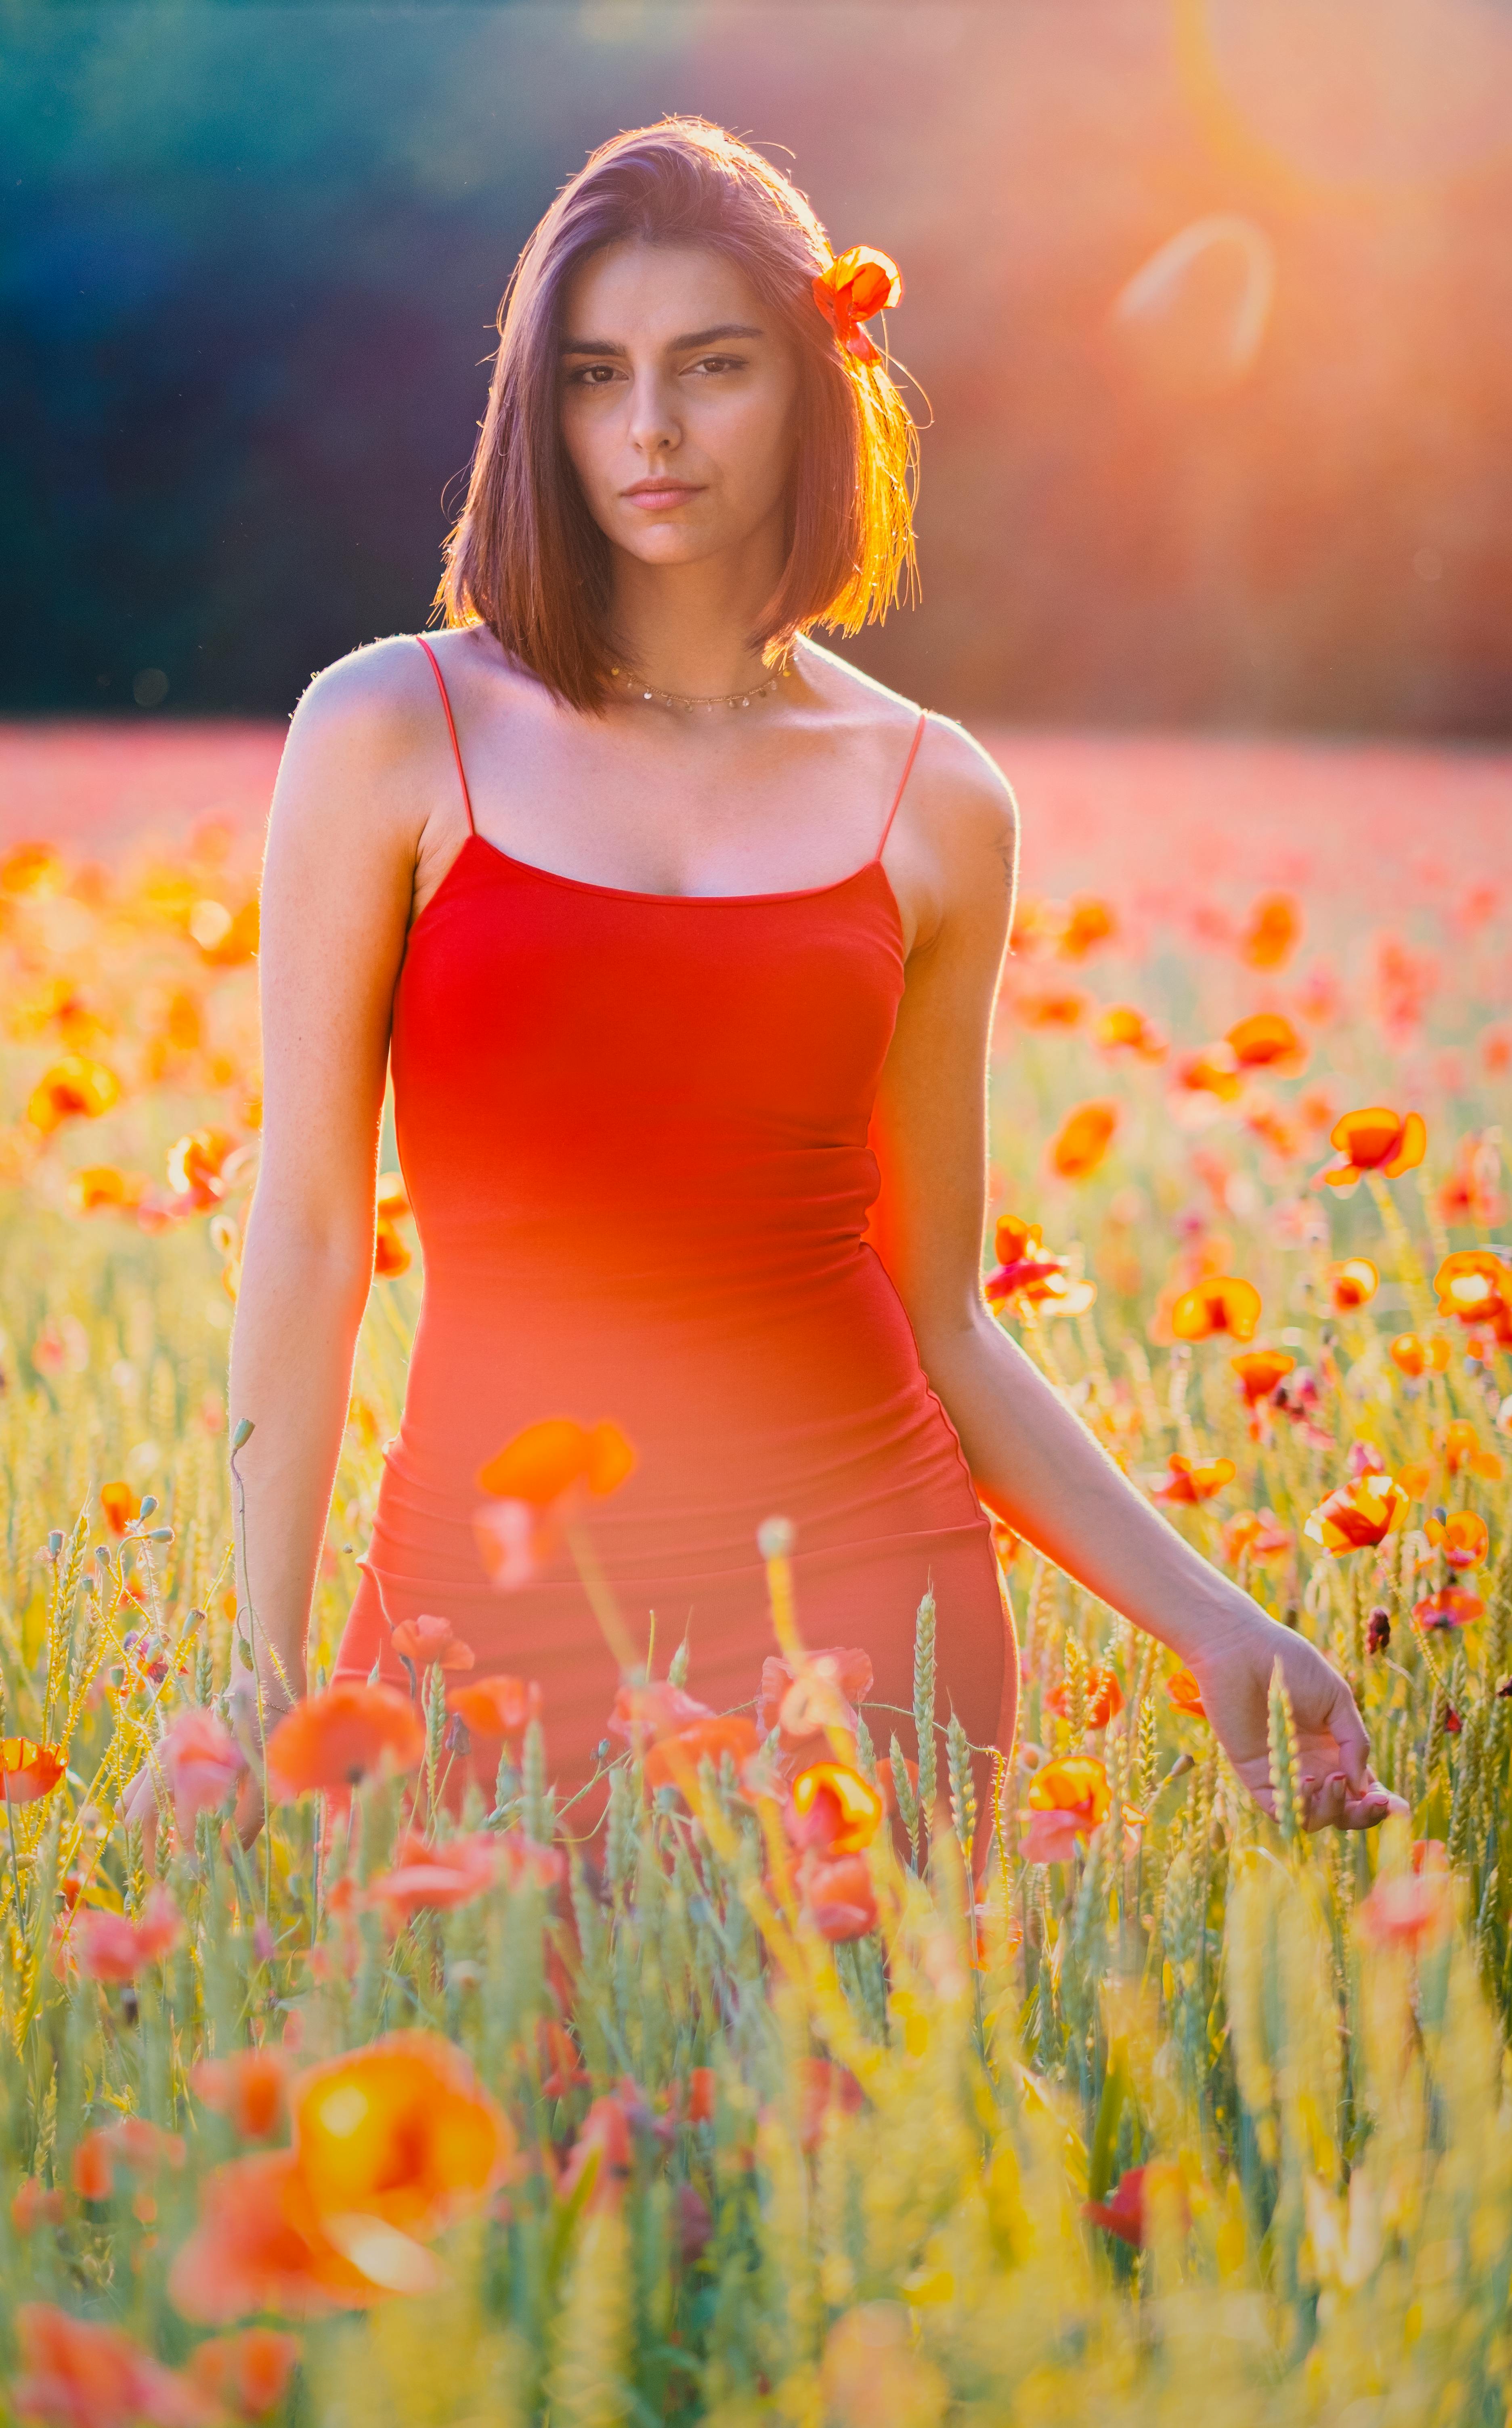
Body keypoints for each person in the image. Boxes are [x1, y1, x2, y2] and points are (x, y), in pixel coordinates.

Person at [228, 116, 1396, 1832]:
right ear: (532, 412)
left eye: (713, 368)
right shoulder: (389, 731)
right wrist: (263, 1670)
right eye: (594, 376)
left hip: (865, 1615)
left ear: (814, 388)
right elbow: (314, 1231)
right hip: (480, 1617)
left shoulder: (935, 801)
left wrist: (1220, 1631)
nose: (650, 429)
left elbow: (942, 1320)